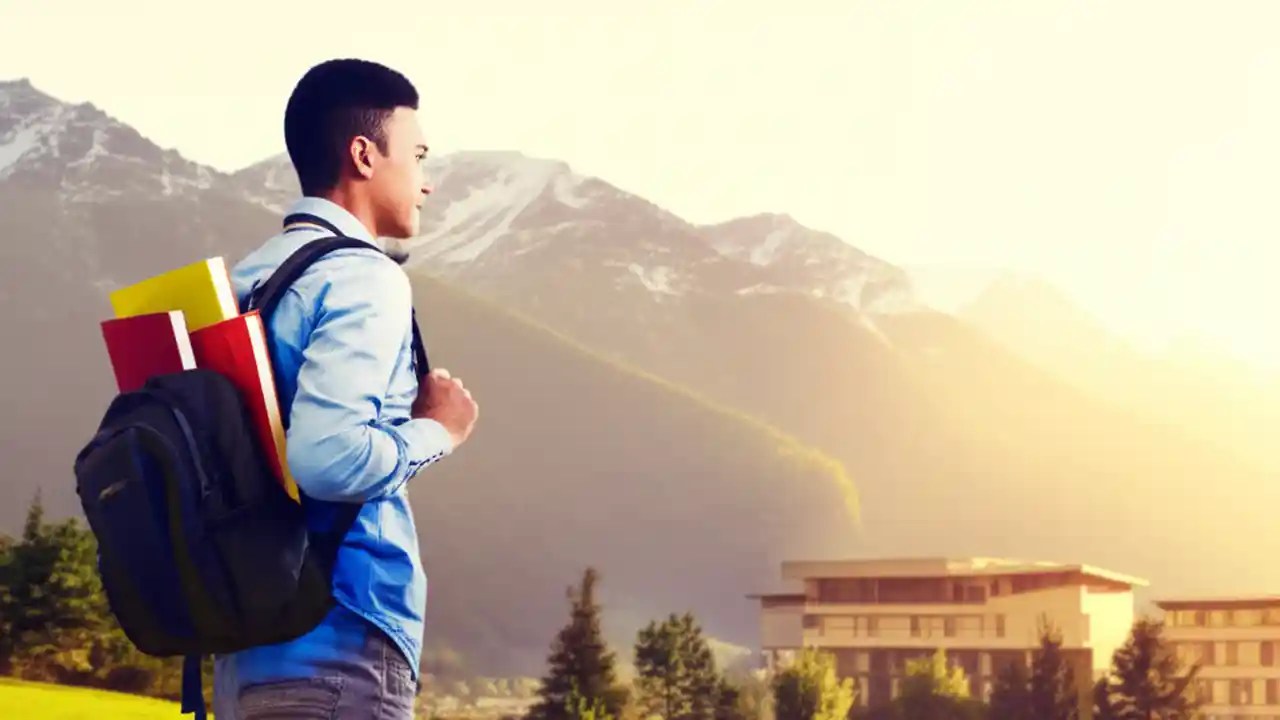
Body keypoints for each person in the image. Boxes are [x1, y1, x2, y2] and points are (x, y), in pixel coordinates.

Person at [211, 58, 479, 719]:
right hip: (339, 645)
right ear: (364, 154)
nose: (427, 182)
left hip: (244, 652)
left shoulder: (246, 283)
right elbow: (327, 458)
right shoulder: (363, 278)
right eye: (416, 155)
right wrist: (438, 430)